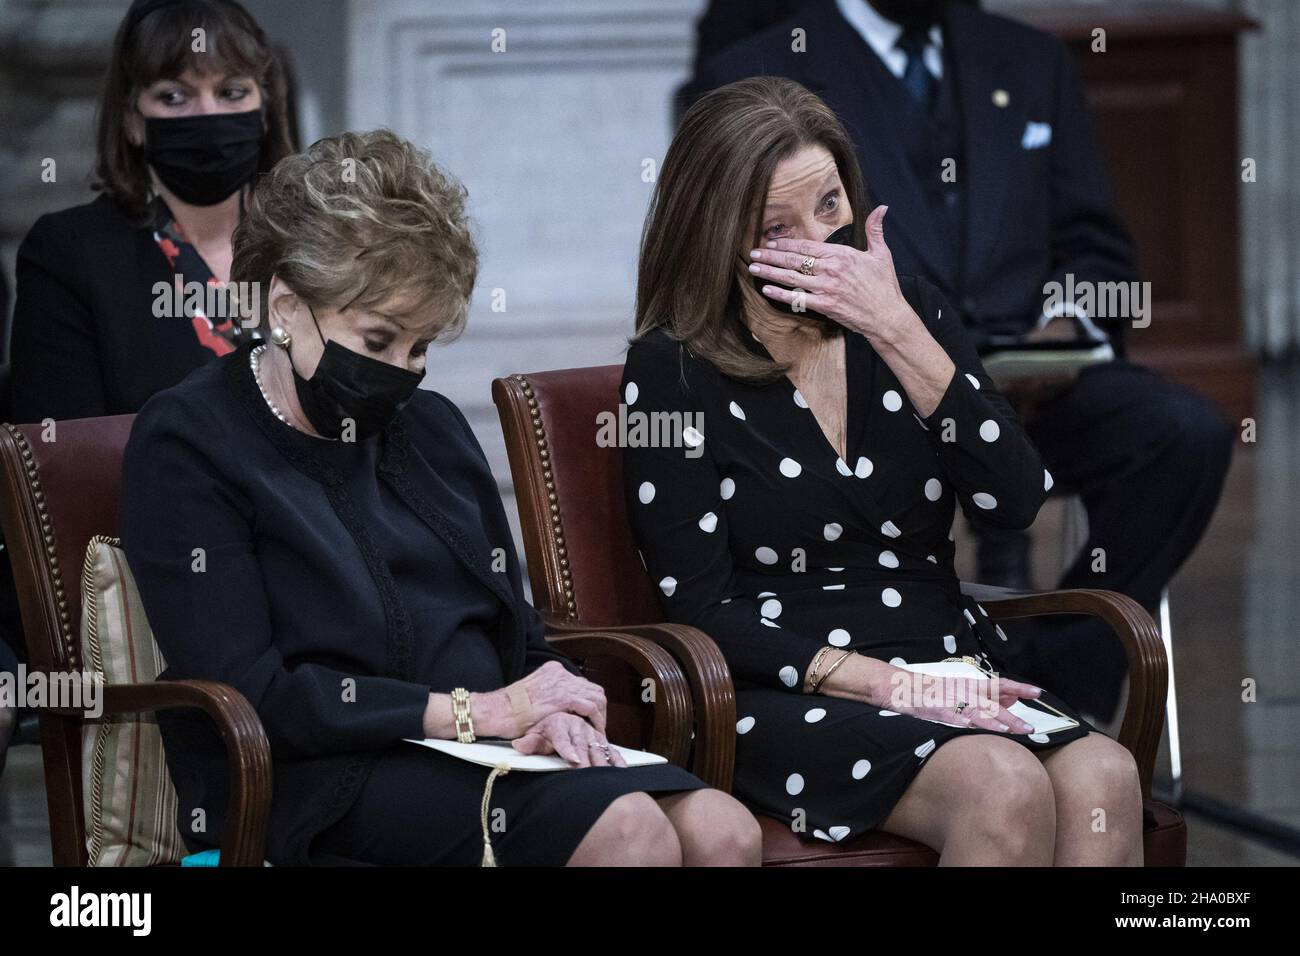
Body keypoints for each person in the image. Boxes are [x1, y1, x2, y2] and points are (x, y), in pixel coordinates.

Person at [119, 128, 761, 867]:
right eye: (379, 339)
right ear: (287, 307)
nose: (402, 372)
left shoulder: (430, 428)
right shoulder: (191, 441)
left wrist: (552, 702)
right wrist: (471, 713)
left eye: (420, 348)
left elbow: (514, 629)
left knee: (723, 831)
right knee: (629, 835)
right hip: (317, 773)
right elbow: (251, 689)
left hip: (489, 746)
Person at [622, 76, 1144, 864]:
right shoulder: (672, 368)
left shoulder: (911, 314)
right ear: (719, 234)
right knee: (1001, 783)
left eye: (830, 206)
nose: (822, 240)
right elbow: (697, 606)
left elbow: (1015, 502)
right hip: (786, 686)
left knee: (1107, 775)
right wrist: (887, 684)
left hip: (945, 661)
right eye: (778, 226)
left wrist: (898, 332)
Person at [679, 0, 1236, 726]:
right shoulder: (758, 61)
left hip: (1034, 379)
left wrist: (1070, 324)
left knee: (1184, 433)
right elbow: (718, 265)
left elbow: (1096, 245)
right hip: (853, 383)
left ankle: (1061, 668)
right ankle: (920, 671)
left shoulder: (1031, 59)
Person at [9, 0, 296, 423]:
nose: (207, 115)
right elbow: (64, 456)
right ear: (132, 122)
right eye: (174, 96)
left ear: (264, 111)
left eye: (232, 92)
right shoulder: (70, 255)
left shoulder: (316, 242)